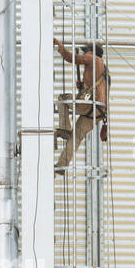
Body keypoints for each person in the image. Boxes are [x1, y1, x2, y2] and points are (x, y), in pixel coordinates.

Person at [53, 38, 109, 173]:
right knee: (76, 138)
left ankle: (65, 127)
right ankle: (61, 165)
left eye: (86, 52)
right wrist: (83, 87)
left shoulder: (94, 60)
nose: (85, 55)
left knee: (62, 99)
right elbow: (97, 88)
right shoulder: (102, 70)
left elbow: (71, 58)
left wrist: (60, 47)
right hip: (98, 113)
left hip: (90, 105)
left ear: (92, 52)